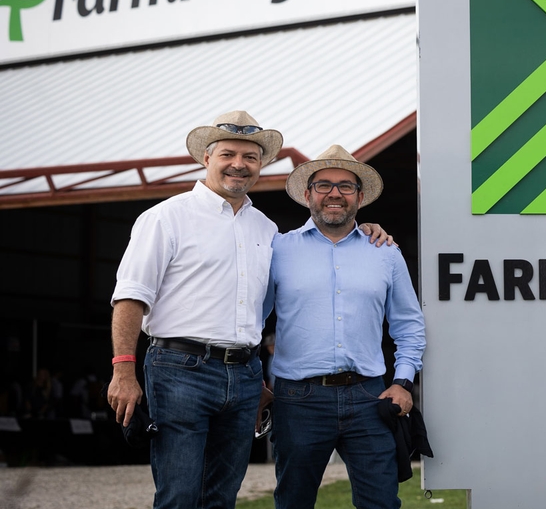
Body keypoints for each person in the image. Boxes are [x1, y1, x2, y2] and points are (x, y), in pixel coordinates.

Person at [106, 112, 390, 508]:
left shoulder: (266, 230)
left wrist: (367, 231)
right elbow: (131, 297)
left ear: (262, 165)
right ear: (206, 158)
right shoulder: (166, 217)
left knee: (223, 494)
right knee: (180, 493)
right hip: (180, 370)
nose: (239, 164)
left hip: (243, 378)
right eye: (228, 154)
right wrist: (123, 370)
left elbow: (261, 308)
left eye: (250, 157)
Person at [265, 145, 425, 509]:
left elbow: (409, 325)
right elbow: (250, 320)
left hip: (370, 397)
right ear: (308, 195)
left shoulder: (385, 251)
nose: (334, 193)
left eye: (345, 186)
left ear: (360, 196)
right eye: (323, 185)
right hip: (298, 399)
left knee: (382, 503)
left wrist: (403, 382)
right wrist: (254, 379)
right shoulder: (278, 250)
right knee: (293, 502)